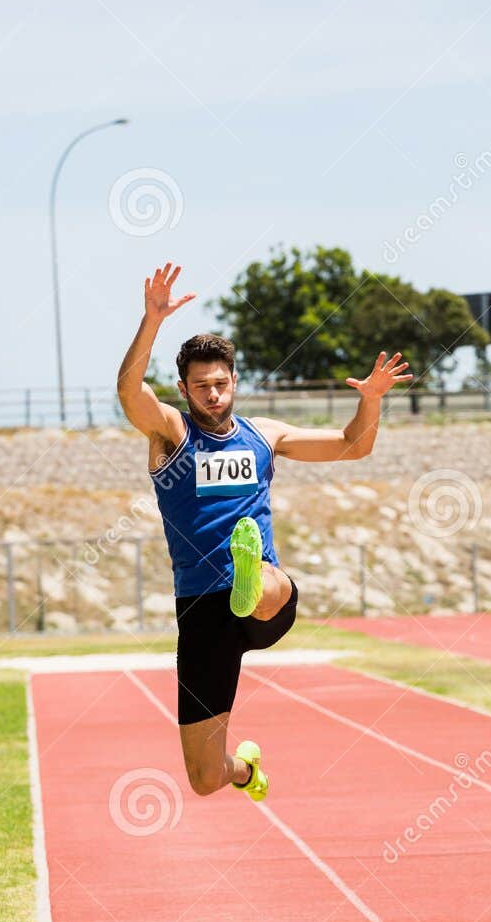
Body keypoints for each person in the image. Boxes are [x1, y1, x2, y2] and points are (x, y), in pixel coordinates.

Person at [117, 262, 411, 801]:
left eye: (222, 384)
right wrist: (151, 321)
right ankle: (246, 770)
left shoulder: (264, 437)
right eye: (201, 386)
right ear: (183, 388)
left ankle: (250, 570)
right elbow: (129, 393)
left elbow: (353, 444)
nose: (213, 395)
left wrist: (370, 399)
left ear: (235, 382)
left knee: (261, 586)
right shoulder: (171, 434)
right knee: (204, 780)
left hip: (265, 604)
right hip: (202, 610)